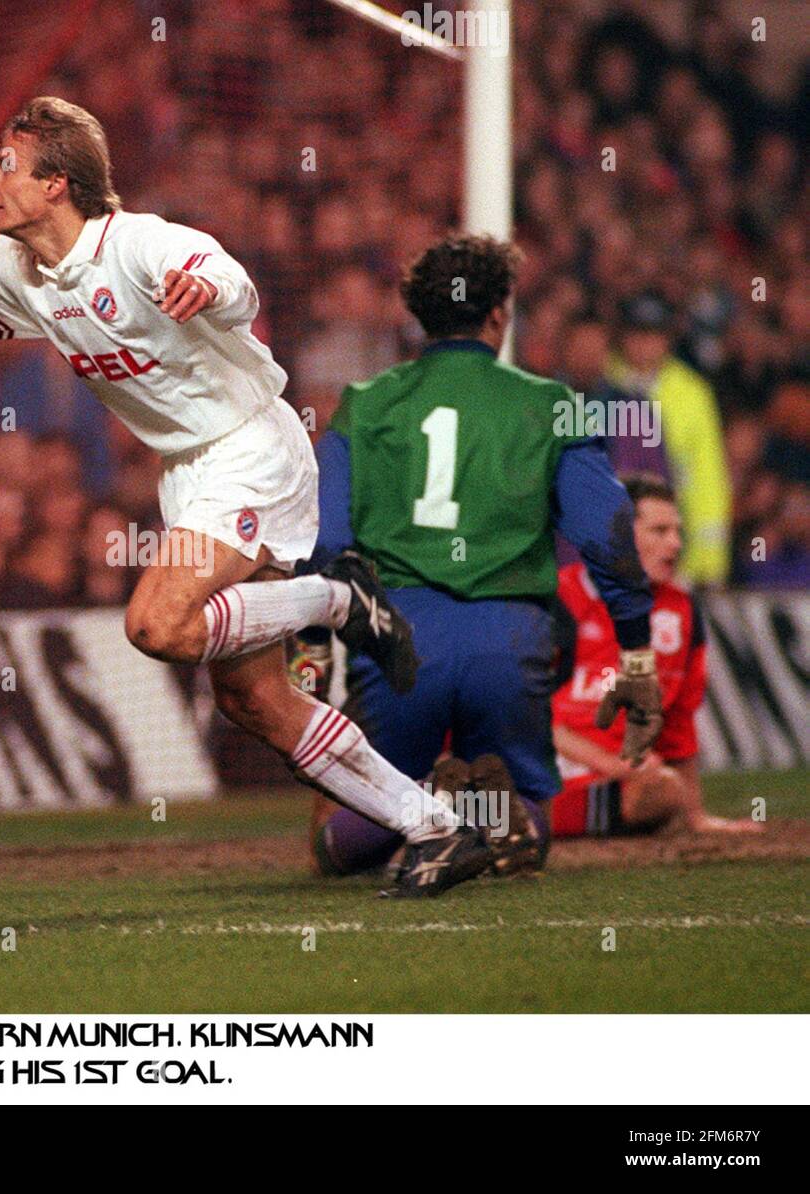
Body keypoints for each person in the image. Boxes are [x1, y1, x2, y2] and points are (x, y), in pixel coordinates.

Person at [0, 96, 492, 897]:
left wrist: (209, 291)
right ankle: (438, 826)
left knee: (156, 623)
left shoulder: (141, 245)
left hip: (251, 448)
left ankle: (336, 598)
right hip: (191, 472)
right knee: (251, 698)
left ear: (56, 184)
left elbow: (231, 282)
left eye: (4, 165)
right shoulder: (16, 275)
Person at [301, 235, 662, 878]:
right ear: (500, 314)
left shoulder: (365, 404)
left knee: (345, 837)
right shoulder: (554, 406)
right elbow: (607, 537)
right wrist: (635, 653)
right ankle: (499, 814)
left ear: (420, 315)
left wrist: (312, 644)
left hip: (399, 644)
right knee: (523, 805)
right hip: (509, 640)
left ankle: (423, 808)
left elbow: (323, 539)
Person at [550, 472, 762, 837]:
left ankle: (538, 820)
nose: (676, 544)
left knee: (664, 791)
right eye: (660, 531)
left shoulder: (681, 611)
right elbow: (525, 714)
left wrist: (694, 814)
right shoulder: (561, 598)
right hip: (554, 760)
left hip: (630, 779)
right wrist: (610, 763)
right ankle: (537, 813)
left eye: (678, 531)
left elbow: (678, 721)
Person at [608, 292, 732, 585]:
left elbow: (708, 477)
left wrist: (709, 562)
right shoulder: (602, 381)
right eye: (637, 333)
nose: (645, 343)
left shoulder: (692, 392)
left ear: (667, 338)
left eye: (654, 334)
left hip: (675, 548)